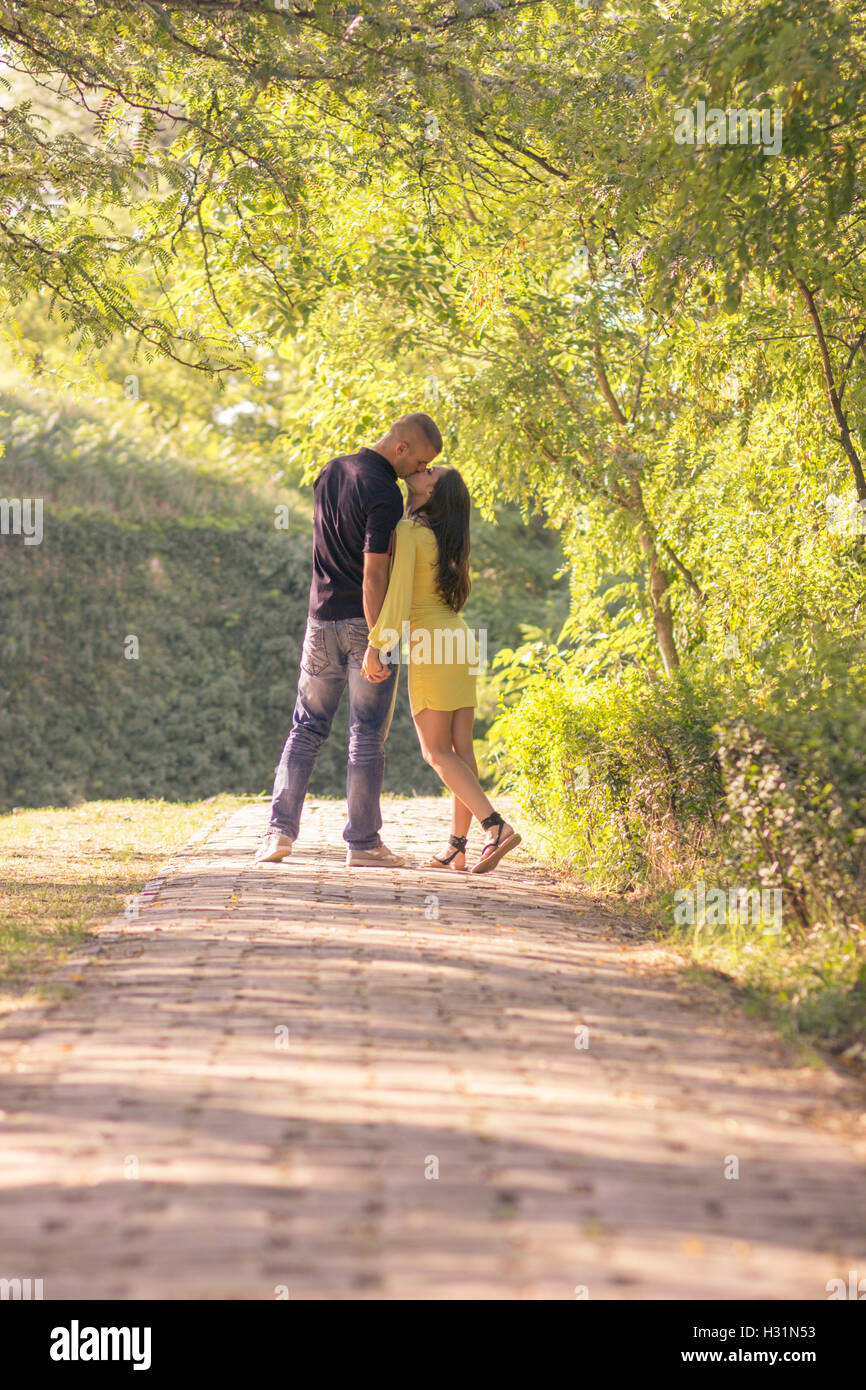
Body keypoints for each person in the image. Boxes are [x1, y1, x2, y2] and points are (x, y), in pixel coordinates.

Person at [255, 413, 442, 867]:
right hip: (366, 624)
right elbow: (374, 571)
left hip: (320, 621)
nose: (419, 472)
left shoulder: (330, 470)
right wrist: (379, 640)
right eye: (420, 462)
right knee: (365, 735)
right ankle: (362, 843)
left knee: (306, 727)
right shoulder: (385, 493)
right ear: (401, 449)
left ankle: (278, 834)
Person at [362, 464, 521, 874]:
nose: (420, 469)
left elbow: (396, 597)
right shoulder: (446, 537)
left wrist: (377, 645)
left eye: (429, 471)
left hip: (433, 643)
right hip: (459, 640)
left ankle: (495, 826)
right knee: (461, 751)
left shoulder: (410, 530)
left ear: (431, 493)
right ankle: (456, 847)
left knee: (435, 752)